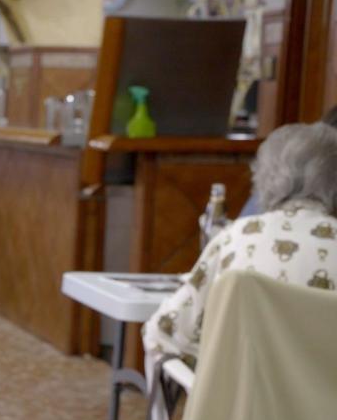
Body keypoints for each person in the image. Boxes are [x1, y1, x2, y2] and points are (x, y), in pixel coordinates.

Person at [143, 121, 337, 387]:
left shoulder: (237, 236)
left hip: (244, 417)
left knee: (159, 340)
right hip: (325, 419)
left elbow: (167, 329)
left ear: (263, 178)